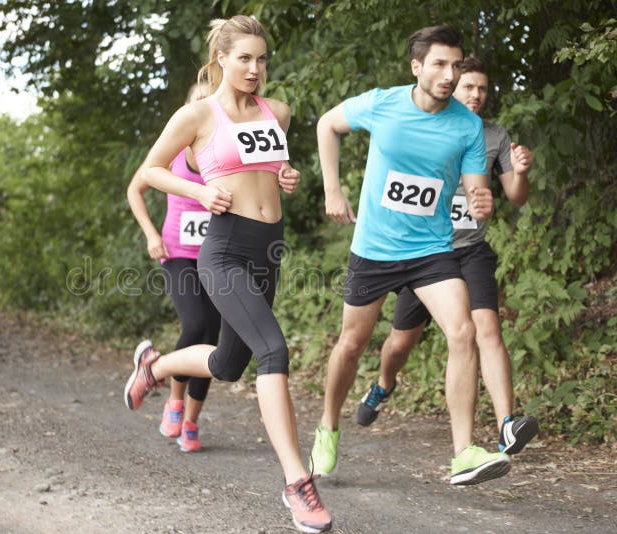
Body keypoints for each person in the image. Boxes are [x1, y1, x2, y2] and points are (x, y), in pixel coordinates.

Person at [123, 15, 332, 533]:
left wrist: (287, 175)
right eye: (244, 58)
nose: (255, 68)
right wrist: (198, 192)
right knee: (273, 351)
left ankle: (155, 365)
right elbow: (150, 170)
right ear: (221, 59)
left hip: (269, 250)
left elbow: (269, 172)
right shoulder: (197, 115)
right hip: (225, 249)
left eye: (262, 59)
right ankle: (296, 484)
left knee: (227, 363)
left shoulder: (277, 112)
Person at [310, 26, 511, 486]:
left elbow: (477, 187)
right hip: (375, 248)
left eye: (455, 65)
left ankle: (463, 453)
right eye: (439, 64)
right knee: (352, 344)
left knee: (462, 331)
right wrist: (333, 188)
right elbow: (327, 124)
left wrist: (482, 200)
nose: (449, 74)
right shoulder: (383, 103)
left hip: (431, 249)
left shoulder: (468, 125)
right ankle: (327, 425)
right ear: (416, 66)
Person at [356, 57, 538, 455]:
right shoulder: (420, 123)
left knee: (486, 328)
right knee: (401, 343)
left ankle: (507, 423)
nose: (475, 94)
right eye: (468, 86)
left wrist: (520, 172)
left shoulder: (493, 136)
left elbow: (515, 197)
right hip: (423, 254)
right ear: (450, 84)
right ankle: (384, 384)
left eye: (482, 88)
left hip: (469, 251)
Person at [126, 82, 220, 452]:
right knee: (196, 325)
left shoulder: (223, 154)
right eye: (196, 103)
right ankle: (174, 400)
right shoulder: (174, 149)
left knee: (212, 341)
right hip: (178, 253)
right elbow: (136, 189)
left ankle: (192, 421)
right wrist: (151, 234)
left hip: (217, 257)